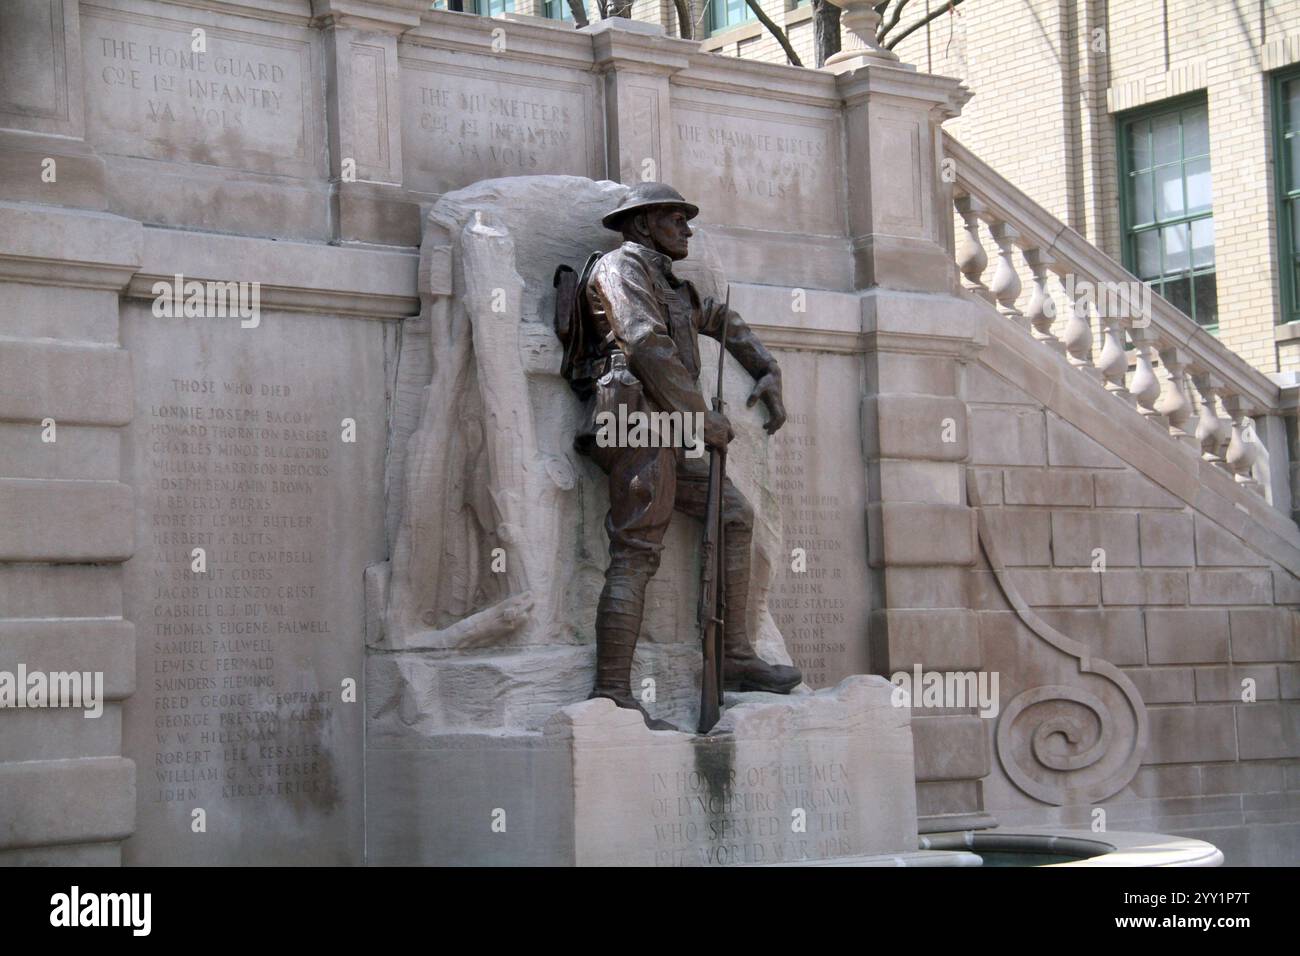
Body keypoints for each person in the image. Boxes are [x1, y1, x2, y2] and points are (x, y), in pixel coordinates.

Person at [575, 182, 803, 731]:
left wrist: (767, 366)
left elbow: (719, 319)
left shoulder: (669, 284)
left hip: (672, 427)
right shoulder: (619, 268)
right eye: (676, 219)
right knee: (636, 548)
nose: (687, 229)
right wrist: (701, 417)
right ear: (644, 223)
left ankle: (735, 657)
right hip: (634, 422)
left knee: (733, 516)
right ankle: (612, 693)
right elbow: (645, 343)